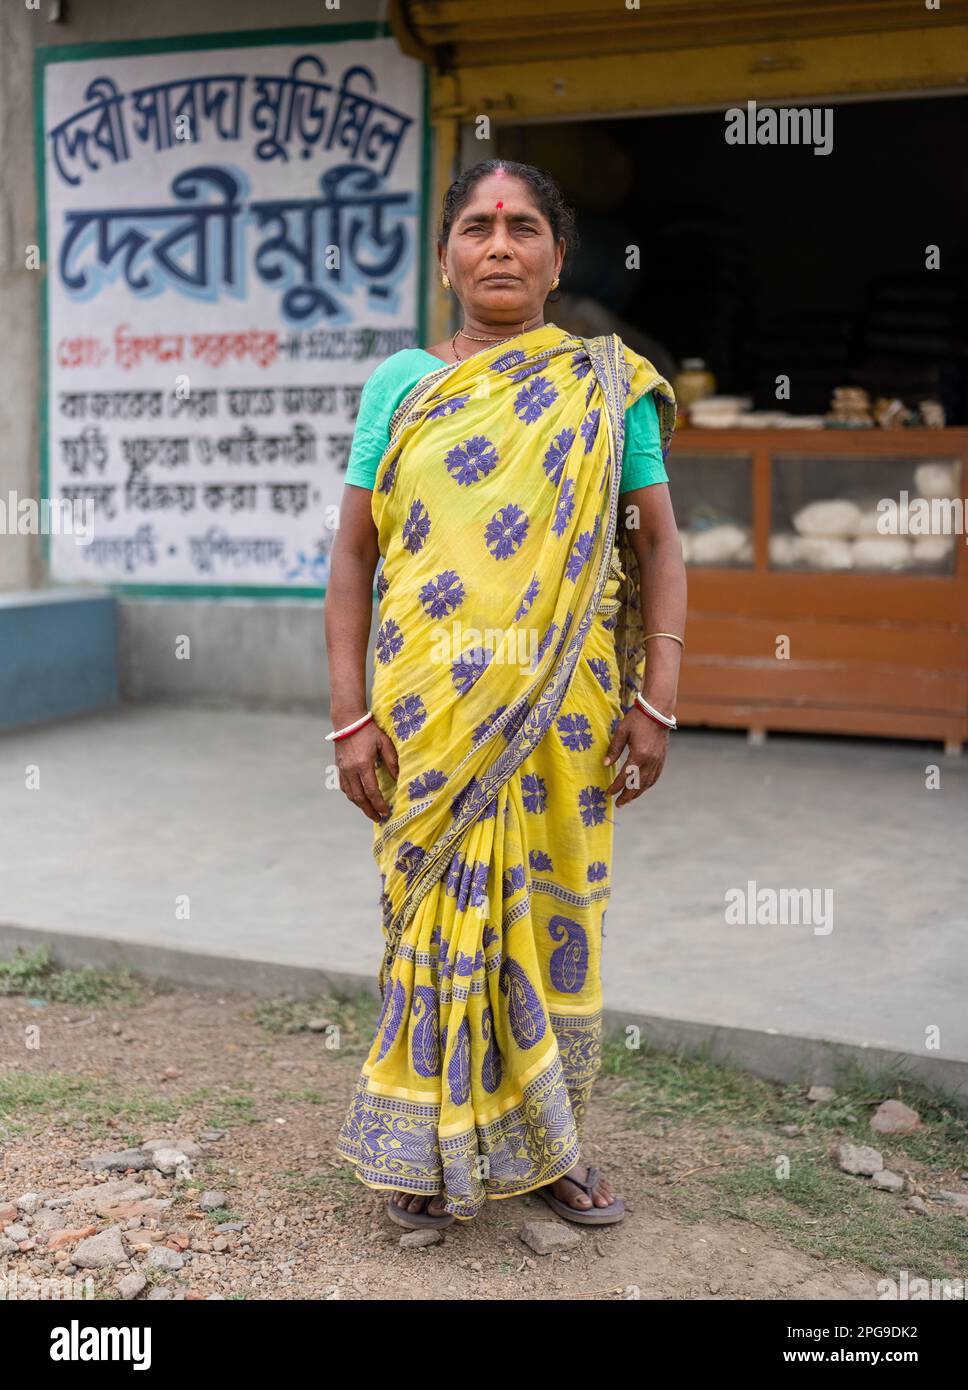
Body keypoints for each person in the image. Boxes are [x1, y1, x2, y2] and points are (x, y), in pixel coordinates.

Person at [325, 159, 685, 1231]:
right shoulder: (400, 384)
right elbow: (352, 557)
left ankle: (551, 1145)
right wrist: (348, 714)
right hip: (426, 712)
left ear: (555, 256)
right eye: (476, 227)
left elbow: (657, 541)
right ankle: (420, 1143)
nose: (498, 245)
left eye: (522, 228)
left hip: (564, 710)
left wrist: (656, 696)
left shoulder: (604, 383)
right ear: (444, 256)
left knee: (553, 916)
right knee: (430, 912)